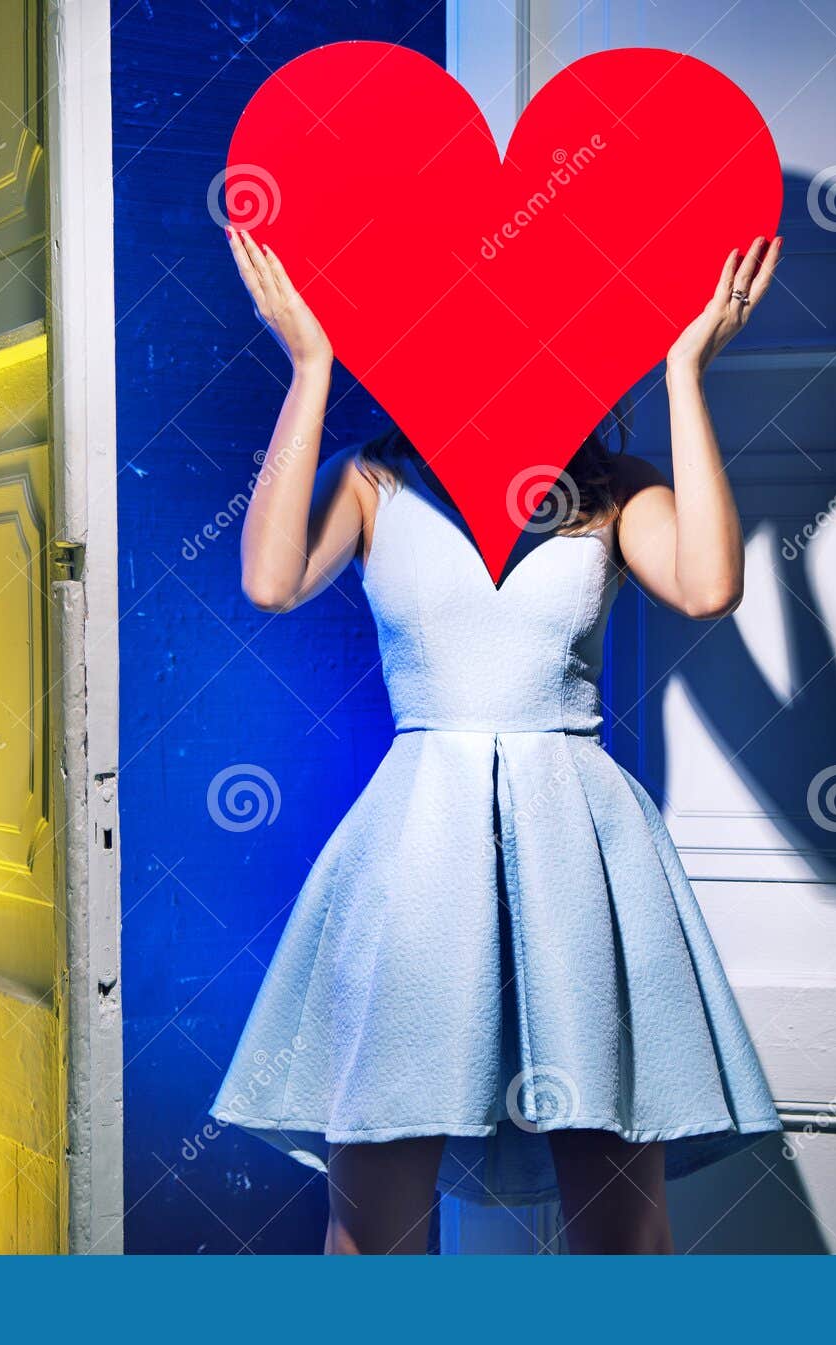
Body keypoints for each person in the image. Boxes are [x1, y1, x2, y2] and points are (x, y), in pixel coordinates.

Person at [211, 227, 784, 1254]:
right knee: (374, 1221)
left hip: (578, 850)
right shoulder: (372, 481)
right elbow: (270, 578)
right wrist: (310, 366)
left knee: (617, 1220)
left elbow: (709, 584)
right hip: (417, 852)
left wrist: (683, 371)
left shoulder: (614, 491)